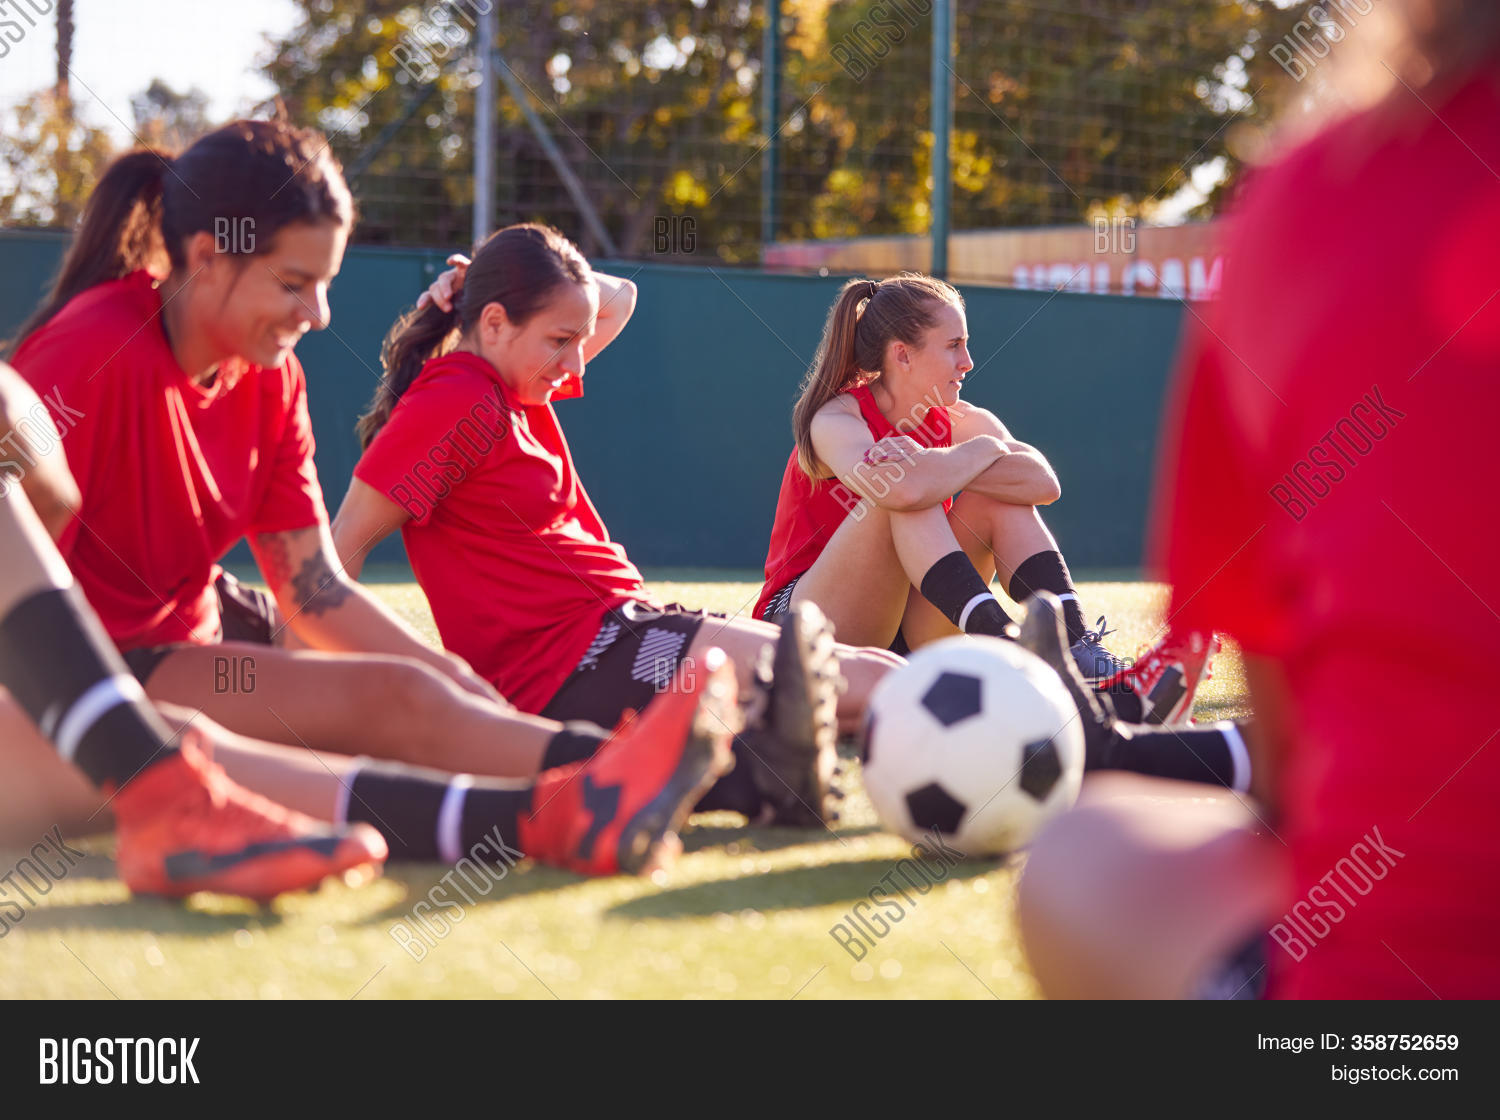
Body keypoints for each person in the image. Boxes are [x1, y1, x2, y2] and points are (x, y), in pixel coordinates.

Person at [1018, 0, 1500, 999]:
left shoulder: (1311, 199)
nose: (966, 360)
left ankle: (1119, 725)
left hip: (1389, 1026)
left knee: (1083, 854)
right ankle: (1116, 717)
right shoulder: (856, 425)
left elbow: (1291, 774)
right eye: (948, 346)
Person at [0, 361, 737, 881]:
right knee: (180, 748)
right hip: (118, 659)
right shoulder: (102, 340)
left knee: (394, 697)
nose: (318, 311)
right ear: (204, 257)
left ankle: (633, 785)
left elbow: (47, 491)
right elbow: (50, 491)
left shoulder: (262, 374)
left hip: (155, 642)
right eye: (295, 281)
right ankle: (548, 814)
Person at [335, 224, 899, 827]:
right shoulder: (455, 400)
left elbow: (619, 296)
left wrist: (480, 277)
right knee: (867, 684)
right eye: (561, 339)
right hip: (575, 664)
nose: (577, 361)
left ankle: (763, 763)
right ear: (494, 324)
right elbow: (339, 549)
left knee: (869, 687)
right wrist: (339, 699)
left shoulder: (516, 384)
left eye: (578, 338)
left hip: (618, 632)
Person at [753, 271, 1212, 722]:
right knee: (902, 495)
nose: (968, 361)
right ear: (902, 356)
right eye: (954, 345)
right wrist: (968, 460)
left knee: (986, 496)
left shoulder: (963, 419)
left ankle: (1080, 655)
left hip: (908, 632)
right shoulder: (837, 417)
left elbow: (1041, 483)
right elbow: (905, 489)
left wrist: (976, 451)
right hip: (803, 631)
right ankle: (1008, 644)